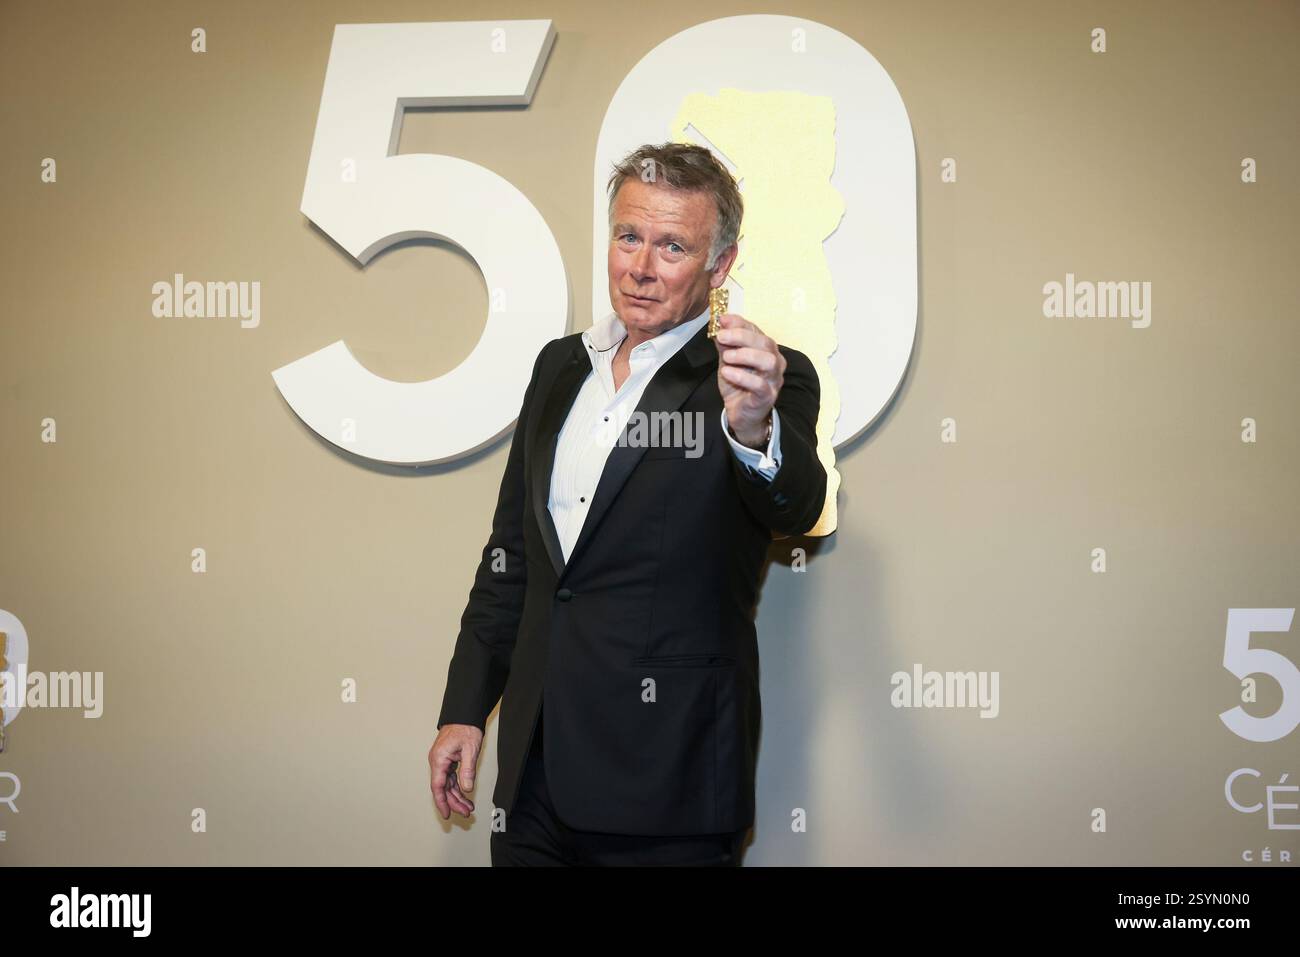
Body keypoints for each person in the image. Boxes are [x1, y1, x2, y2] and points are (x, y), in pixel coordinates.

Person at [428, 142, 827, 865]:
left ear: (720, 266)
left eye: (673, 245)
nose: (640, 267)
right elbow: (512, 558)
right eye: (628, 236)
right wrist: (465, 708)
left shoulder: (760, 380)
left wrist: (756, 426)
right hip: (534, 779)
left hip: (668, 784)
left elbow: (796, 506)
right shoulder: (557, 367)